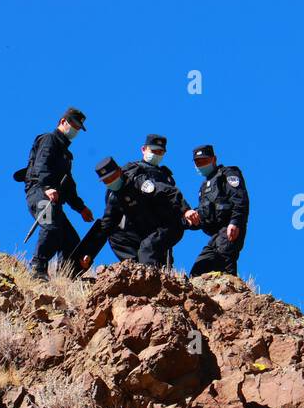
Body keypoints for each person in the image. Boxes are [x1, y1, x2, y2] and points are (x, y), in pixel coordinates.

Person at [16, 107, 93, 280]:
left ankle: (66, 278)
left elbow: (68, 184)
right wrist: (48, 187)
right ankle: (38, 269)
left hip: (53, 197)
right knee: (51, 226)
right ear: (63, 122)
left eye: (78, 127)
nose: (75, 129)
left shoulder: (66, 154)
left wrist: (80, 208)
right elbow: (41, 165)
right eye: (73, 124)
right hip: (39, 192)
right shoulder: (49, 139)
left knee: (71, 241)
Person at [110, 134, 190, 267]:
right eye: (153, 151)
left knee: (160, 266)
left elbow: (172, 204)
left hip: (156, 229)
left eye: (160, 152)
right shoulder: (131, 169)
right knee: (136, 267)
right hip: (132, 227)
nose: (157, 154)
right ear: (143, 149)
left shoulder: (167, 177)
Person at [185, 144, 249, 276]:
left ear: (214, 159)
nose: (201, 165)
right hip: (216, 236)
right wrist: (190, 219)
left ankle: (232, 294)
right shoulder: (204, 187)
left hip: (229, 229)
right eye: (198, 162)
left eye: (205, 161)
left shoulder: (228, 174)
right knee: (198, 271)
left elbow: (240, 199)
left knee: (223, 261)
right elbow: (205, 214)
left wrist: (235, 222)